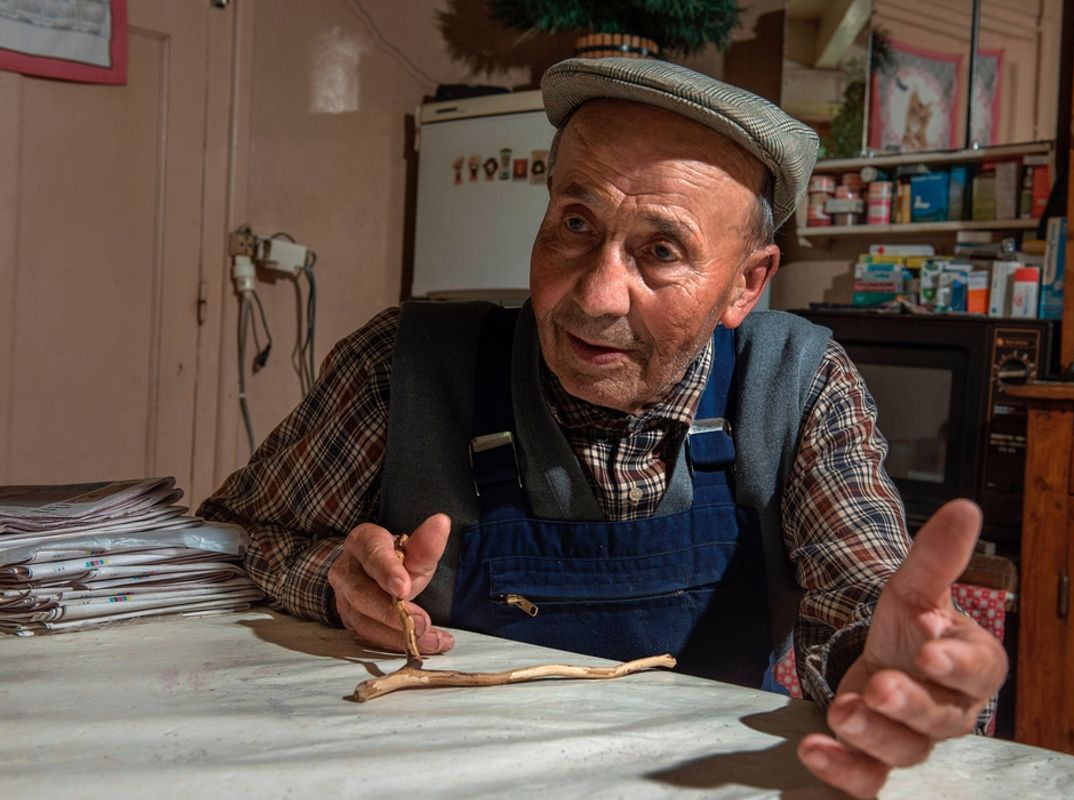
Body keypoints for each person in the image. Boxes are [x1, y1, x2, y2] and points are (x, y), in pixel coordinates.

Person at [200, 57, 1006, 798]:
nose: (595, 296)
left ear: (746, 283)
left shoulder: (796, 386)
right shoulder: (404, 368)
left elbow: (861, 588)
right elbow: (220, 545)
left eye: (661, 251)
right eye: (576, 225)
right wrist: (335, 578)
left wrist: (892, 666)